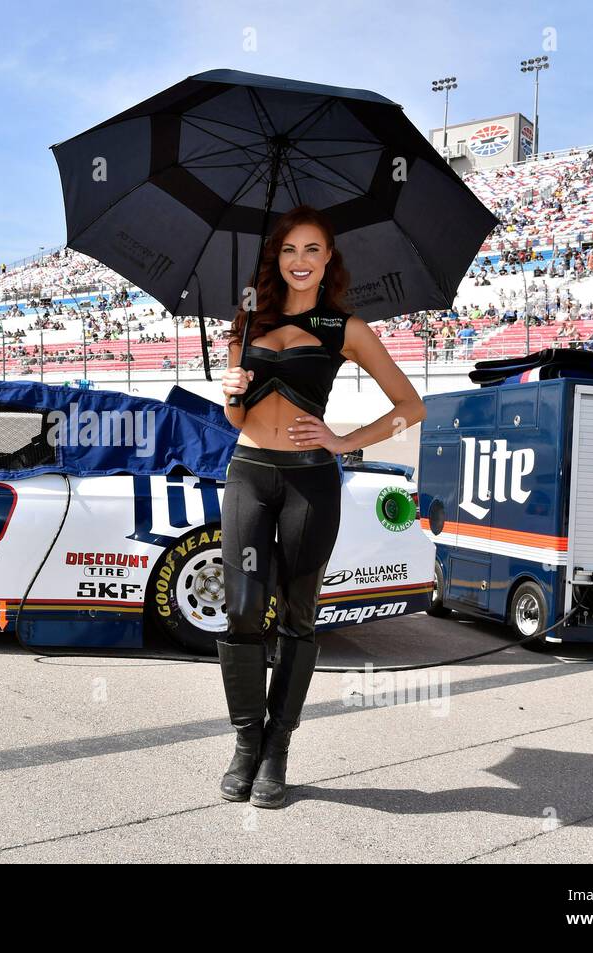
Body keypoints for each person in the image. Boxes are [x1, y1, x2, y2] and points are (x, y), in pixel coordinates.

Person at [217, 205, 425, 809]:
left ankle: (278, 749)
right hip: (251, 472)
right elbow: (237, 418)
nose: (300, 261)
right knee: (242, 609)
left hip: (311, 480)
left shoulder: (346, 329)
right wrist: (230, 393)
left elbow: (410, 407)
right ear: (275, 257)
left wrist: (343, 441)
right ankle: (245, 743)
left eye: (313, 249)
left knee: (298, 618)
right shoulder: (245, 323)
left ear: (328, 258)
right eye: (289, 250)